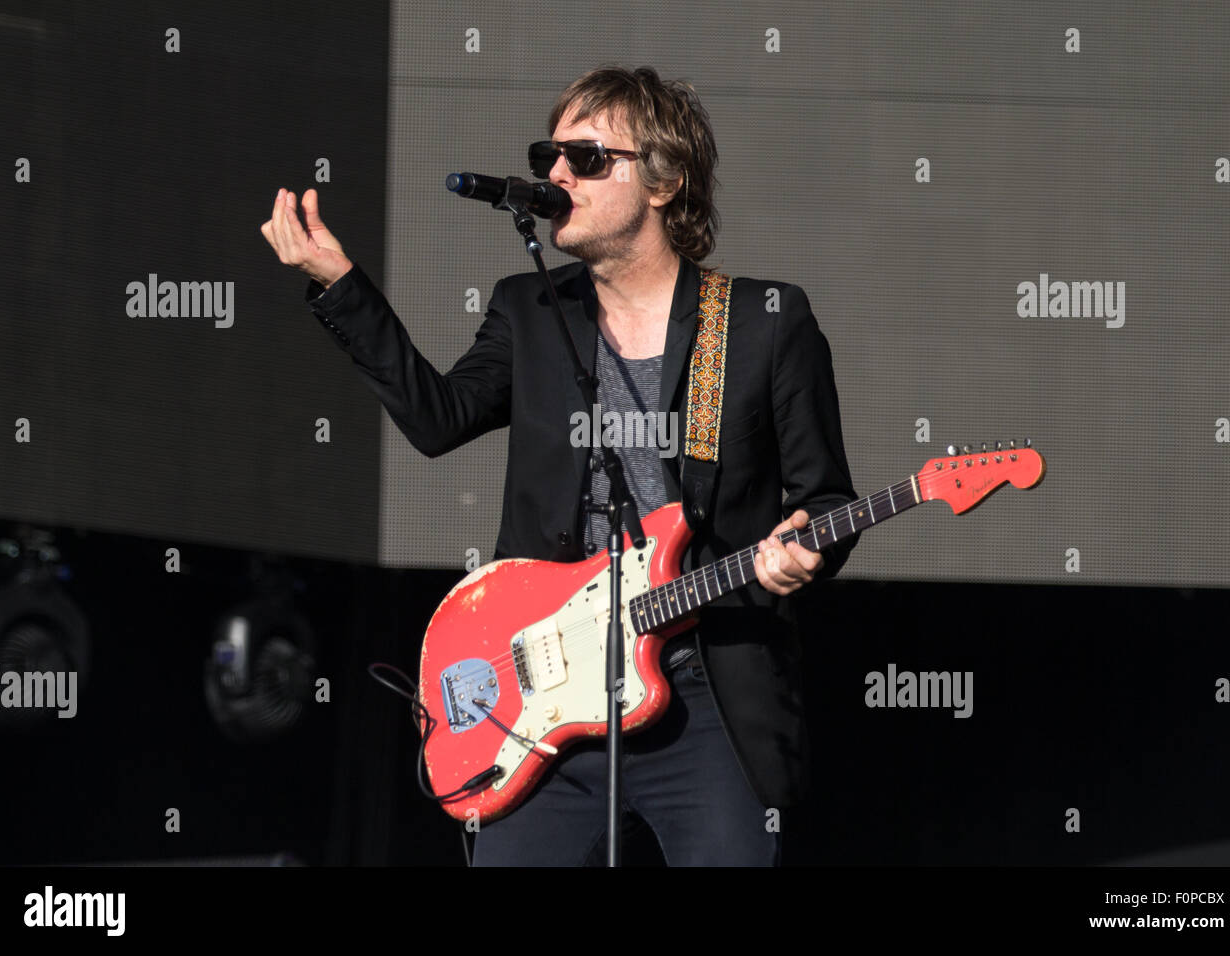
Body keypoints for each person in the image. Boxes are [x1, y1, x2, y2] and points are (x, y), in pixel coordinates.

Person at [261, 66, 860, 866]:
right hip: (543, 701)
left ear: (664, 181)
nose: (555, 177)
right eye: (550, 157)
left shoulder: (760, 322)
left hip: (704, 689)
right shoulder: (530, 308)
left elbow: (823, 502)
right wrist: (340, 285)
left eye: (585, 159)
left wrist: (806, 546)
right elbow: (438, 420)